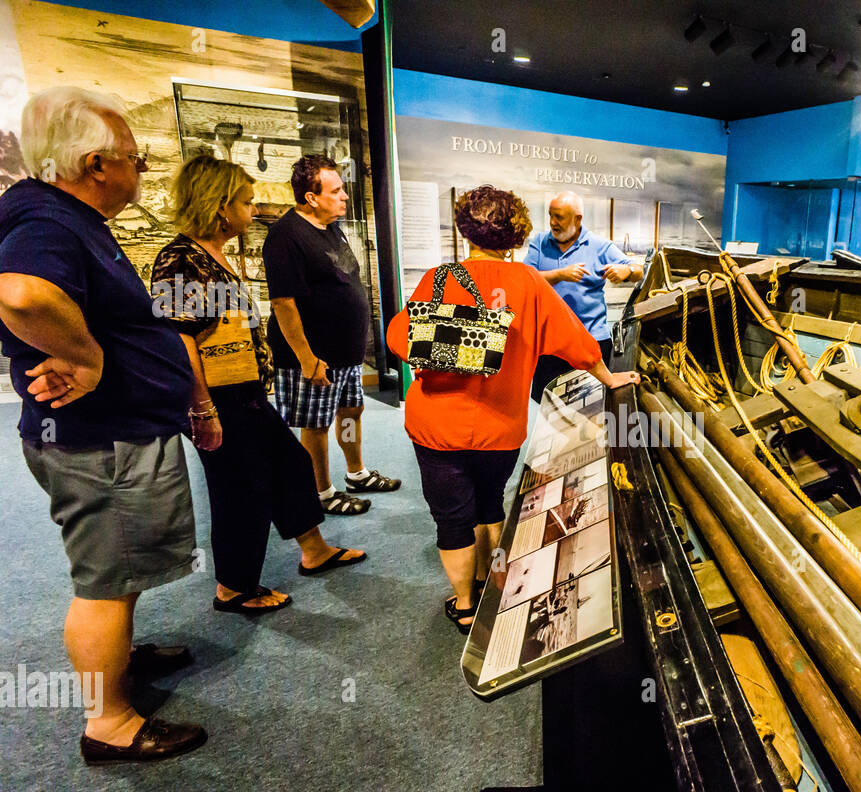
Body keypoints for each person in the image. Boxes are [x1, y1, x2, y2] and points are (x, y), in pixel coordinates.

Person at [0, 87, 205, 763]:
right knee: (104, 583)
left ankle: (121, 660)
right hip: (102, 443)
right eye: (134, 158)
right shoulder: (48, 222)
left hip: (111, 436)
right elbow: (21, 293)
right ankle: (110, 721)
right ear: (95, 164)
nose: (138, 171)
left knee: (118, 571)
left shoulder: (59, 214)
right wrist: (84, 357)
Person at [387, 185, 639, 634]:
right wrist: (610, 378)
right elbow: (576, 343)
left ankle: (464, 605)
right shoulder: (530, 284)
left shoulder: (438, 278)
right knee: (490, 504)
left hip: (436, 427)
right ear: (518, 233)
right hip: (500, 428)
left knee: (451, 519)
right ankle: (488, 582)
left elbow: (397, 338)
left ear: (466, 230)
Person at [151, 155, 366, 616]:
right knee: (238, 489)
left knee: (289, 463)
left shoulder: (212, 253)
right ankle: (234, 587)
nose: (253, 211)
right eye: (246, 202)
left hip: (244, 391)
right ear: (218, 204)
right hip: (217, 397)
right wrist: (202, 408)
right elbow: (177, 335)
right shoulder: (178, 259)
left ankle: (314, 549)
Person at [262, 154, 399, 516]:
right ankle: (321, 492)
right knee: (316, 423)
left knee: (351, 410)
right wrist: (307, 359)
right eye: (336, 190)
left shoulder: (331, 226)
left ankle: (356, 473)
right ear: (311, 196)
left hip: (346, 352)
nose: (344, 197)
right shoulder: (285, 236)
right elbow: (283, 303)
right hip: (313, 354)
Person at [523, 191, 644, 402]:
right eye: (550, 215)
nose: (552, 222)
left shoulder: (600, 246)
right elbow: (526, 279)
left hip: (592, 343)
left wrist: (627, 272)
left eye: (558, 216)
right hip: (549, 345)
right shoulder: (540, 243)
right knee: (548, 407)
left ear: (577, 218)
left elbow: (639, 270)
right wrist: (560, 274)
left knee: (592, 406)